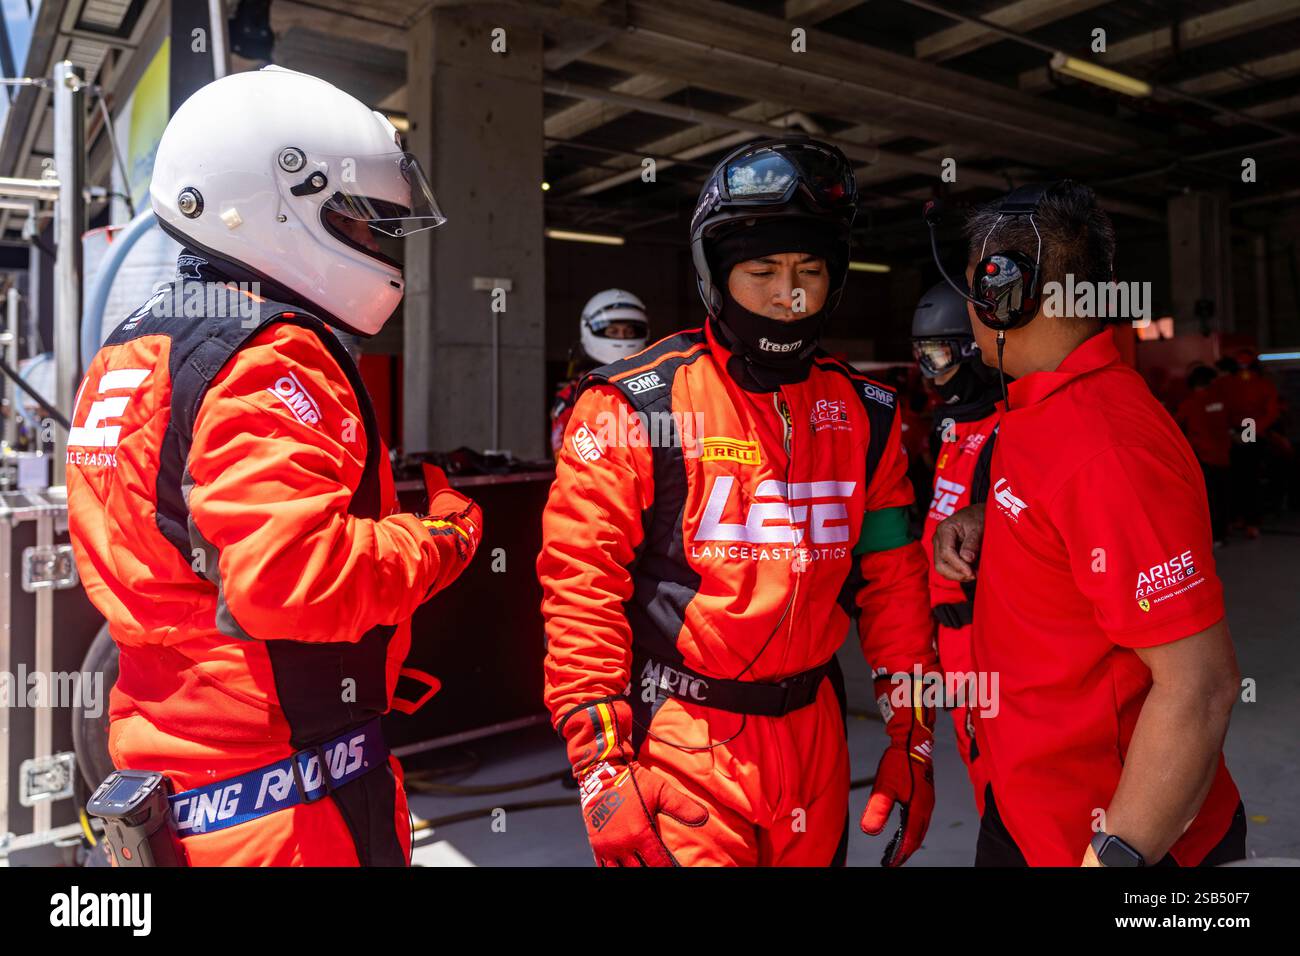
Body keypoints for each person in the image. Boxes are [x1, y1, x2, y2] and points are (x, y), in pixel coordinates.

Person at [65, 67, 484, 866]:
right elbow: (291, 581)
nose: (376, 246)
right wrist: (439, 538)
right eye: (358, 223)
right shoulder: (271, 352)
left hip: (178, 796)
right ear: (273, 206)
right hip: (291, 814)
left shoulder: (132, 347)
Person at [539, 135, 940, 867]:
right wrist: (599, 762)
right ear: (717, 278)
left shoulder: (870, 414)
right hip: (685, 738)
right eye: (762, 270)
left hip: (816, 742)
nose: (789, 293)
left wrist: (912, 736)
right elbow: (580, 586)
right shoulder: (636, 404)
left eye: (810, 271)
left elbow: (894, 582)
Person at [932, 180, 1245, 867]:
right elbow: (1067, 512)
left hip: (1102, 838)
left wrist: (1117, 857)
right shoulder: (1042, 404)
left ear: (1001, 294)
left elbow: (1201, 685)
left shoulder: (1103, 445)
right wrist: (990, 514)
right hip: (1026, 807)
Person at [911, 280, 1002, 815]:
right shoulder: (953, 426)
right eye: (920, 354)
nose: (929, 368)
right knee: (973, 755)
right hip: (947, 628)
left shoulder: (1004, 428)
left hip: (982, 630)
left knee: (993, 759)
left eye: (938, 354)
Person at [550, 290, 649, 454]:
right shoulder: (572, 395)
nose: (622, 338)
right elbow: (563, 456)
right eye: (613, 331)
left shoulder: (653, 383)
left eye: (629, 332)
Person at [1219, 348, 1280, 538]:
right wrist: (1230, 432)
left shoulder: (1263, 385)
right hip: (1233, 433)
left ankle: (1251, 520)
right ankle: (1240, 518)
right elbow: (1221, 410)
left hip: (1249, 431)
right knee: (1236, 478)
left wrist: (1248, 432)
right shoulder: (1227, 384)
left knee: (1249, 478)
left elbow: (1271, 412)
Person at [1175, 365, 1231, 545]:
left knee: (1208, 500)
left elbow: (1176, 428)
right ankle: (1223, 534)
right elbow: (1244, 420)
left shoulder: (1189, 404)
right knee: (1223, 496)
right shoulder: (1223, 401)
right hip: (1224, 456)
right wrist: (1250, 441)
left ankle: (1212, 537)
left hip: (1201, 458)